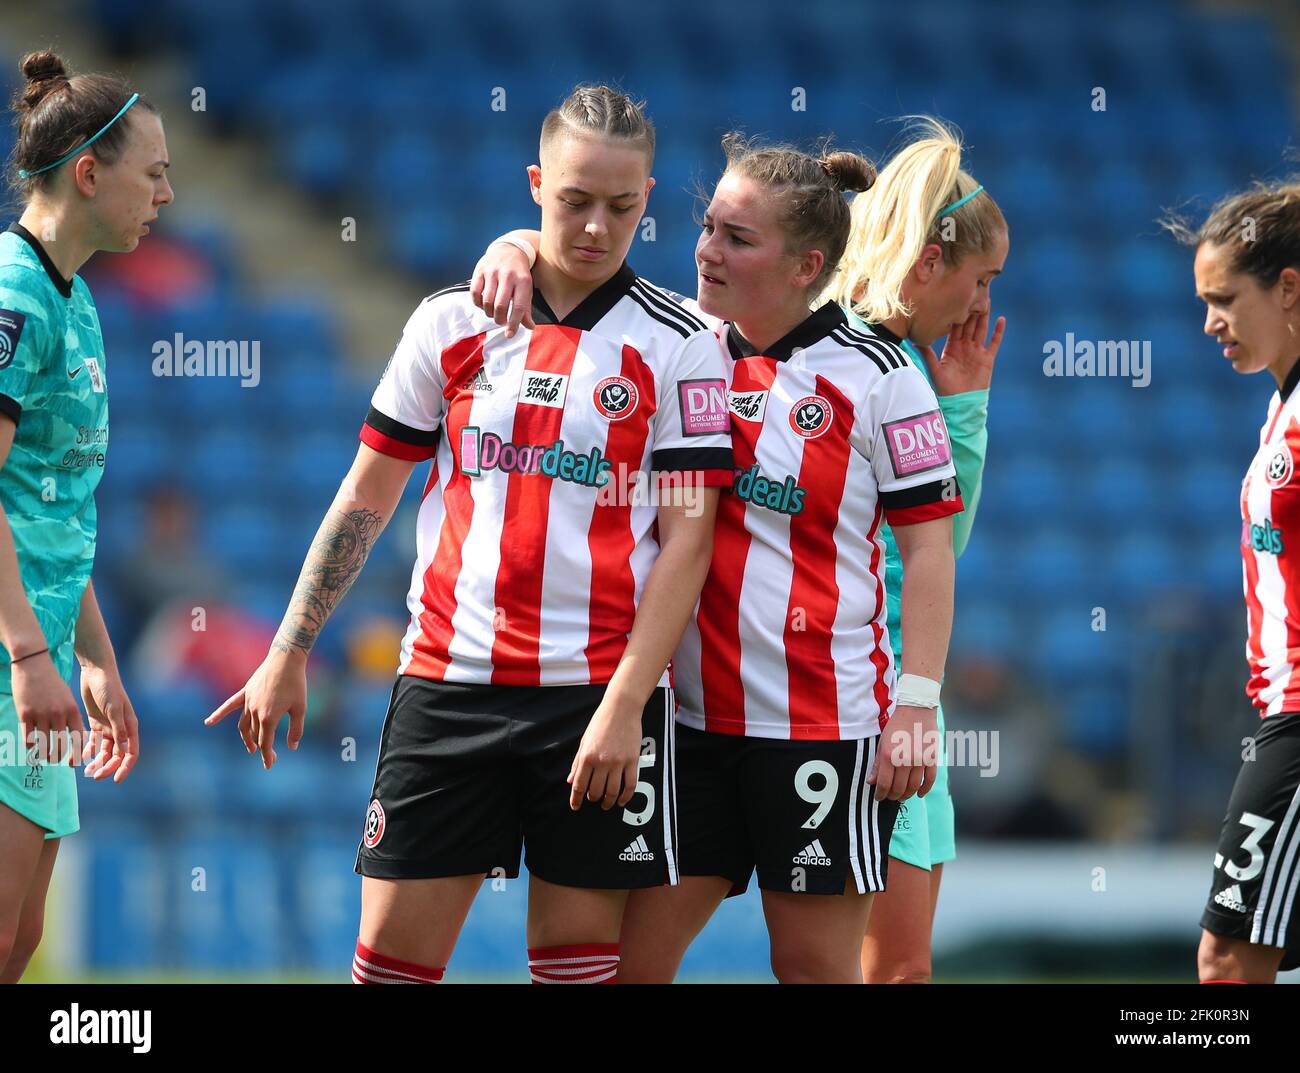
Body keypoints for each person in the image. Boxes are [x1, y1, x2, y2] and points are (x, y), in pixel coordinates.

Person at [207, 85, 734, 985]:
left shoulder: (685, 344)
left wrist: (623, 706)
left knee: (574, 972)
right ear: (536, 184)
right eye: (574, 200)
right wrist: (290, 645)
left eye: (620, 205)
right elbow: (367, 493)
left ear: (648, 200)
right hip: (448, 685)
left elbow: (690, 541)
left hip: (594, 699)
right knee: (388, 972)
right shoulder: (451, 321)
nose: (596, 226)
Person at [473, 133, 963, 982]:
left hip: (820, 727)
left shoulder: (882, 377)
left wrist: (917, 706)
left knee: (811, 967)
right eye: (707, 226)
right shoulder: (678, 343)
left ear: (808, 263)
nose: (705, 248)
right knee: (628, 967)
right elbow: (571, 270)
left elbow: (929, 551)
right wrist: (510, 245)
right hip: (683, 726)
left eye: (738, 238)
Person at [825, 118, 1008, 984]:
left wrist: (964, 404)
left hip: (896, 694)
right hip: (862, 697)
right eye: (983, 279)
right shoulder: (849, 355)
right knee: (883, 969)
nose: (982, 304)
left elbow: (942, 539)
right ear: (930, 260)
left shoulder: (903, 365)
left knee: (896, 968)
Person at [0, 50, 168, 981]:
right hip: (9, 653)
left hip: (42, 652)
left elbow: (52, 504)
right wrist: (31, 656)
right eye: (154, 172)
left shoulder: (80, 301)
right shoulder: (14, 295)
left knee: (20, 943)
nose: (168, 194)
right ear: (89, 172)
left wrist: (94, 655)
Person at [1166, 180, 1300, 983]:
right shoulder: (1282, 405)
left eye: (1223, 299)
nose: (1209, 321)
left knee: (1227, 961)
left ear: (1290, 288)